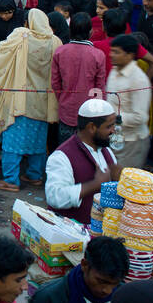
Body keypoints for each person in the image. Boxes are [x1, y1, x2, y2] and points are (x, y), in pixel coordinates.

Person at [44, 97, 118, 226]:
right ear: (92, 128)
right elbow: (55, 197)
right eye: (109, 126)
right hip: (70, 236)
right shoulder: (61, 156)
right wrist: (95, 184)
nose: (113, 131)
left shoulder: (107, 152)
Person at [50, 13, 105, 142]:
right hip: (90, 111)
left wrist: (63, 98)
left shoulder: (60, 52)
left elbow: (55, 83)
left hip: (66, 109)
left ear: (70, 30)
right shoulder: (98, 55)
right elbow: (100, 87)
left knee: (66, 152)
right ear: (90, 32)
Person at [105, 34, 153, 171]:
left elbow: (140, 117)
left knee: (124, 185)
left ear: (130, 55)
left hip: (132, 142)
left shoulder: (138, 79)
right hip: (115, 138)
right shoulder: (115, 70)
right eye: (111, 50)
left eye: (116, 52)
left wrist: (112, 118)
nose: (111, 55)